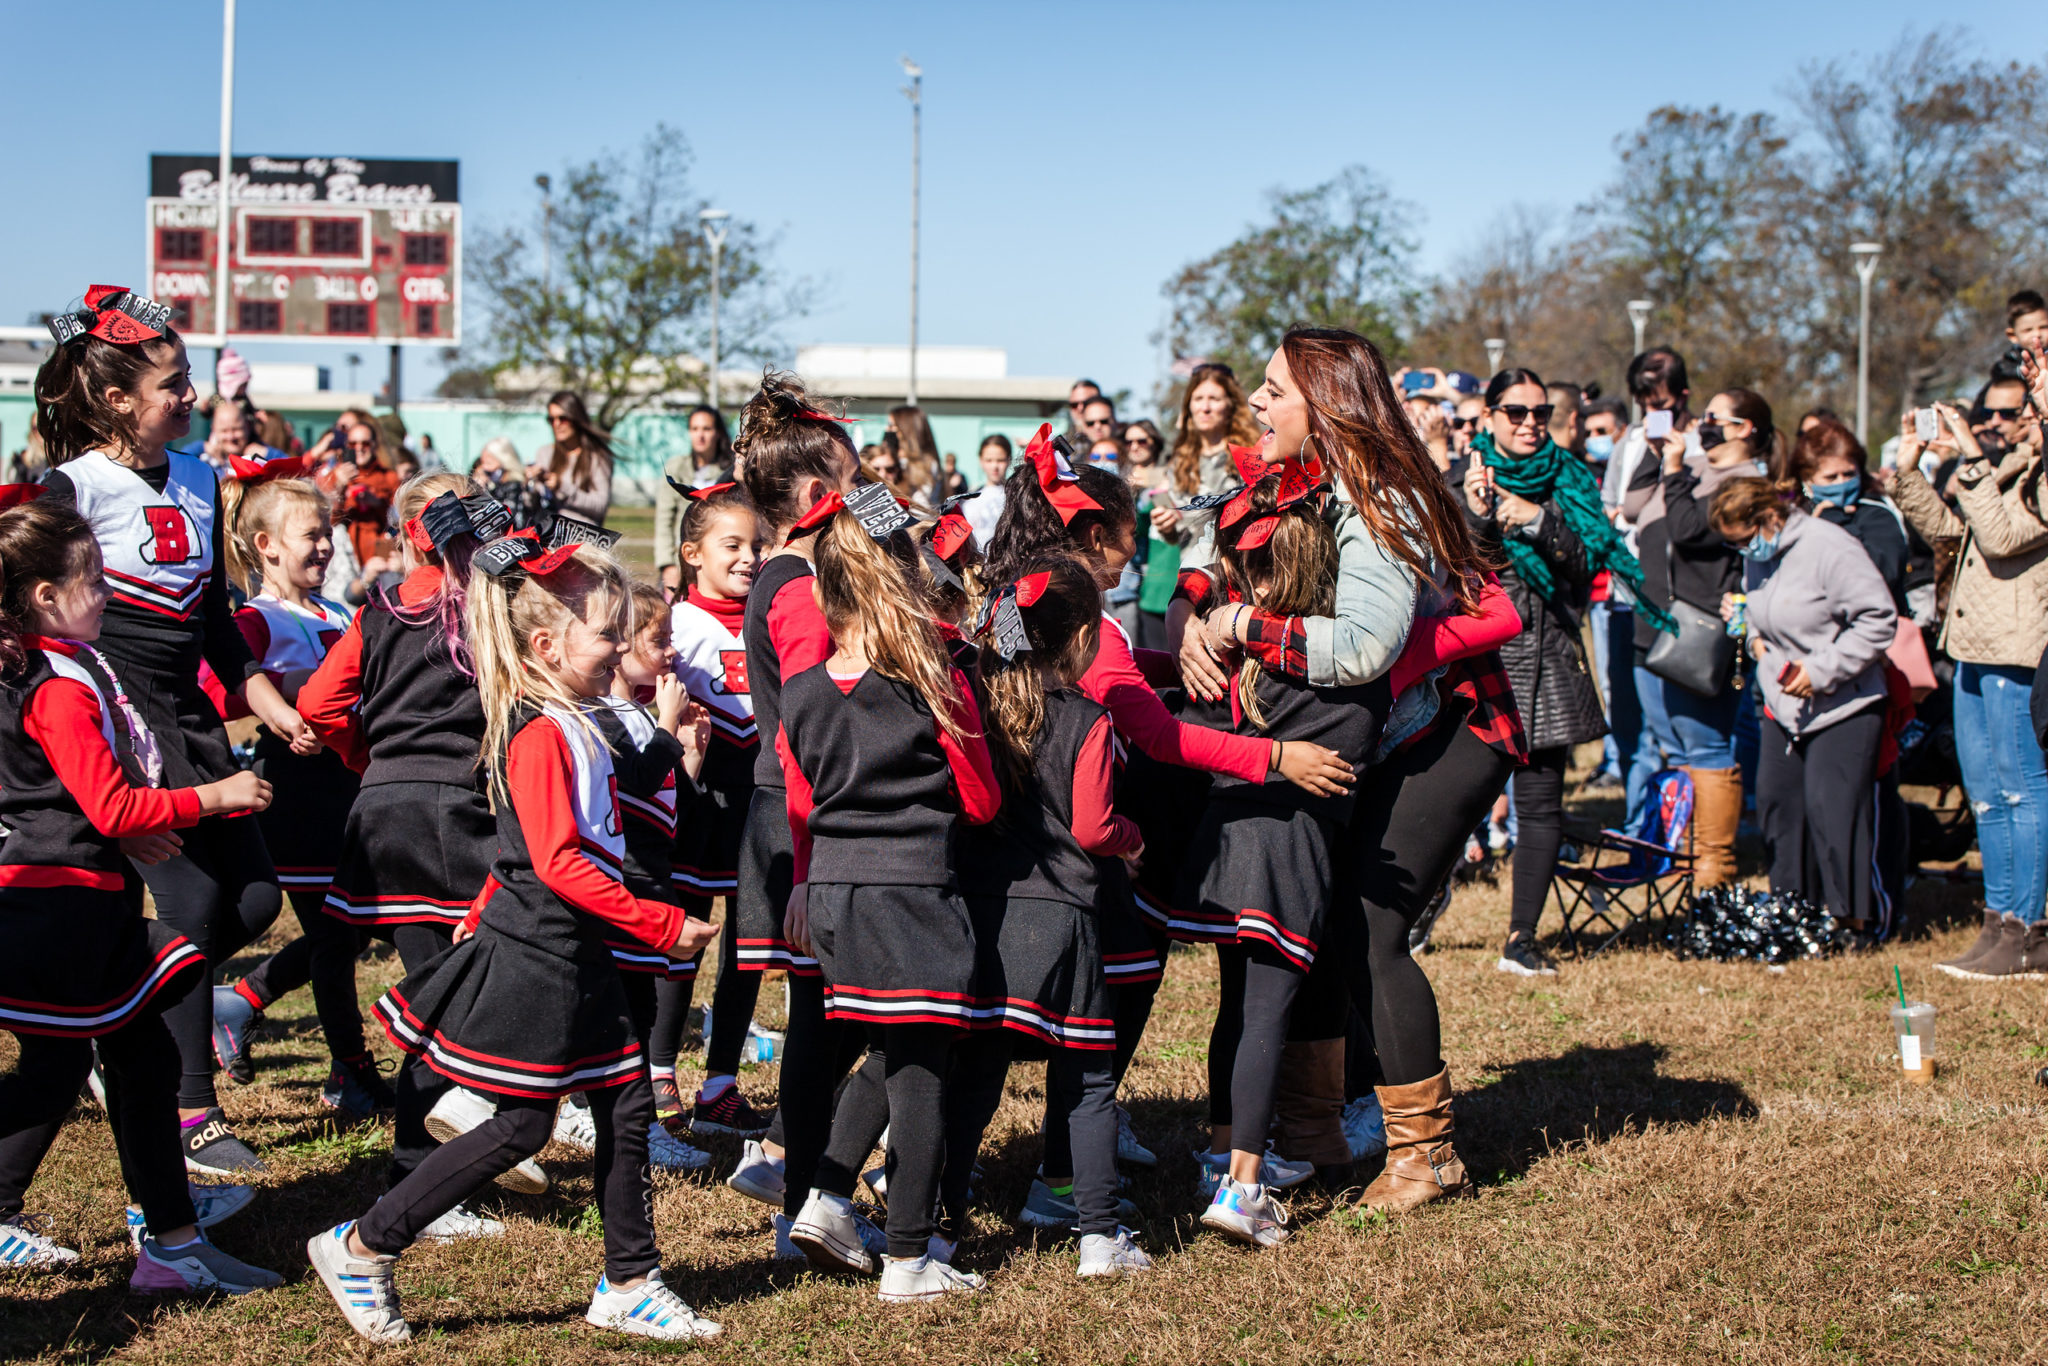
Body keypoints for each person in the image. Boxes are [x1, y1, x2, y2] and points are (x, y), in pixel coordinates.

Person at [308, 539, 721, 1346]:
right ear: (547, 646)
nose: (619, 648)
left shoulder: (573, 720)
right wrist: (663, 924)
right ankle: (363, 1244)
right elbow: (556, 860)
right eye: (608, 634)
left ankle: (629, 1279)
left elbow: (525, 851)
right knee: (521, 1127)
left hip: (575, 951)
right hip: (544, 955)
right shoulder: (538, 731)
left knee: (626, 1104)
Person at [1180, 327, 1522, 1217]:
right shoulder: (1312, 482)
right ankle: (1313, 1130)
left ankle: (1426, 1156)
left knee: (1372, 927)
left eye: (1273, 389)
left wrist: (1243, 630)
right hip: (1382, 736)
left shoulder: (1382, 500)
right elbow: (1231, 564)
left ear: (1325, 409)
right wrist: (1201, 619)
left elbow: (1365, 647)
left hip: (1446, 735)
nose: (1256, 402)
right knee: (1326, 919)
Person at [34, 285, 305, 1176]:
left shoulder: (201, 475)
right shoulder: (72, 486)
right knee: (188, 909)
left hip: (191, 715)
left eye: (190, 381)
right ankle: (193, 1111)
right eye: (173, 385)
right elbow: (40, 609)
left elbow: (218, 620)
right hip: (121, 711)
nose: (192, 398)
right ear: (116, 400)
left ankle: (135, 1014)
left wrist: (267, 703)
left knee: (256, 901)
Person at [0, 490, 282, 1293]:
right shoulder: (56, 686)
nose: (109, 591)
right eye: (93, 578)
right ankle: (170, 1242)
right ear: (46, 598)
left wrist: (127, 825)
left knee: (94, 1066)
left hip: (81, 901)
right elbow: (110, 805)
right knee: (130, 1045)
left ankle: (169, 1244)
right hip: (63, 913)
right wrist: (216, 797)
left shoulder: (40, 665)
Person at [778, 488, 1000, 1303]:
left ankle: (828, 1196)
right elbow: (979, 798)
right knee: (924, 1073)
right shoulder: (929, 678)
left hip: (833, 893)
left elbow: (799, 802)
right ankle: (908, 1255)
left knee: (887, 1046)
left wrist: (805, 880)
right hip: (912, 892)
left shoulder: (800, 694)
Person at [298, 474, 538, 1214]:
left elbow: (316, 704)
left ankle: (443, 1153)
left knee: (431, 992)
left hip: (383, 815)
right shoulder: (491, 609)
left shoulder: (373, 614)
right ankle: (427, 1169)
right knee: (457, 995)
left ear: (410, 535)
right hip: (461, 813)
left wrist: (362, 758)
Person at [1176, 459, 1388, 1249]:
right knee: (1267, 1011)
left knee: (1237, 1005)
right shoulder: (1331, 660)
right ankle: (1243, 1183)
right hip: (1288, 847)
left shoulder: (1233, 649)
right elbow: (1359, 742)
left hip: (1226, 839)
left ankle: (1219, 1150)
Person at [947, 554, 1151, 1278]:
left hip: (988, 915)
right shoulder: (1087, 719)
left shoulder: (974, 704)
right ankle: (1099, 1237)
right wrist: (1132, 841)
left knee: (976, 1073)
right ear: (1084, 637)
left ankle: (941, 1226)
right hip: (1065, 917)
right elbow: (1095, 829)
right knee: (1088, 1078)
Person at [204, 467, 389, 1120]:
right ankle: (350, 1071)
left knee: (351, 933)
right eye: (311, 534)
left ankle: (249, 1004)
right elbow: (214, 692)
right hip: (300, 796)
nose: (324, 546)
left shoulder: (341, 613)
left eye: (328, 533)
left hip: (352, 791)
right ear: (266, 546)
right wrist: (286, 684)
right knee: (341, 935)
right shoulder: (254, 620)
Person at [724, 376, 862, 1251]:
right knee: (824, 1019)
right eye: (855, 480)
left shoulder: (809, 574)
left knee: (832, 1016)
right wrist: (814, 869)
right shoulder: (797, 587)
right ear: (816, 497)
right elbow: (815, 731)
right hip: (808, 821)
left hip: (814, 817)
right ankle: (803, 1201)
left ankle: (802, 1184)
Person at [1465, 368, 1644, 976]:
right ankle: (1411, 919)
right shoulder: (1460, 480)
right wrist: (1480, 513)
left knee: (1541, 803)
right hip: (1475, 658)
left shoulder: (1571, 479)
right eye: (1514, 412)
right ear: (1488, 416)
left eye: (1538, 412)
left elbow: (1584, 567)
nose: (1528, 423)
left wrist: (1537, 519)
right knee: (1454, 799)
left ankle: (1521, 938)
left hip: (1546, 652)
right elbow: (1451, 568)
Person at [1888, 401, 2048, 979]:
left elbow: (2004, 536)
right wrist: (1909, 473)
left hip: (2018, 646)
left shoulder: (2041, 471)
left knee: (2020, 789)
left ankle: (2029, 931)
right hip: (1973, 643)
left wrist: (1974, 458)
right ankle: (1998, 919)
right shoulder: (2010, 466)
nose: (2013, 419)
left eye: (2026, 408)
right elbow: (1954, 536)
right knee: (1983, 791)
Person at [1712, 476, 1896, 938]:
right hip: (1782, 704)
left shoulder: (1828, 546)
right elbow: (1762, 615)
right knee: (1780, 806)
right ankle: (1795, 915)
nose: (1742, 552)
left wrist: (1822, 670)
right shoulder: (1762, 556)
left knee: (1834, 812)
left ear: (1769, 519)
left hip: (1843, 702)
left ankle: (1856, 919)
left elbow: (1878, 619)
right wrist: (1750, 637)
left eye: (1743, 540)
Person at [583, 580, 717, 1173]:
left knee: (636, 1017)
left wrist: (689, 754)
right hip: (626, 892)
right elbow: (630, 788)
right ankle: (625, 1130)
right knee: (624, 1023)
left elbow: (664, 808)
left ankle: (628, 1128)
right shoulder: (605, 718)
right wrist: (665, 730)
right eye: (658, 641)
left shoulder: (637, 718)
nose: (671, 654)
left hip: (653, 881)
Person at [1627, 389, 1775, 886]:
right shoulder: (1706, 473)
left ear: (1744, 429)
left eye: (1715, 418)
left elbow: (1691, 530)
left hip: (1707, 631)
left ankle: (1714, 868)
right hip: (1672, 625)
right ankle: (1687, 855)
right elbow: (1636, 508)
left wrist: (1674, 471)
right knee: (1686, 748)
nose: (1703, 424)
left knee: (1707, 746)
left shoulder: (1748, 482)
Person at [665, 484, 776, 1137]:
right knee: (682, 938)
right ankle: (658, 1080)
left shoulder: (776, 614)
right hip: (696, 799)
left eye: (756, 544)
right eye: (730, 545)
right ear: (692, 553)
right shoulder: (675, 624)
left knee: (749, 944)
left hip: (760, 801)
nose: (747, 557)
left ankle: (721, 1085)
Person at [1159, 362, 1263, 571]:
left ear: (1230, 404)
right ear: (1189, 405)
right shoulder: (1179, 462)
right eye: (1198, 399)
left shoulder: (1252, 455)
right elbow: (1177, 534)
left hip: (1241, 573)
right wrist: (1166, 526)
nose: (1205, 408)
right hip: (1192, 576)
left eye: (1214, 399)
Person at [655, 405, 736, 594]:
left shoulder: (731, 470)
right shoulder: (676, 468)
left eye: (707, 429)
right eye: (695, 429)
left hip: (719, 558)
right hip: (683, 559)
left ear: (717, 433)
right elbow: (664, 519)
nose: (700, 435)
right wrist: (667, 565)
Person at [1122, 419, 1178, 651]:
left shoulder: (1169, 476)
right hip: (1135, 583)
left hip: (1164, 578)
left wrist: (1141, 481)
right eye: (1128, 442)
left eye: (1141, 440)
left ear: (1155, 443)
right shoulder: (1128, 480)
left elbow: (1174, 526)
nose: (1134, 446)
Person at [532, 390, 615, 526]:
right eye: (551, 419)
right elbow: (531, 505)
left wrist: (561, 487)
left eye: (562, 418)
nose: (556, 424)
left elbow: (600, 507)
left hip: (583, 541)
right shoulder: (545, 453)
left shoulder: (598, 458)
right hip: (547, 540)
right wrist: (529, 484)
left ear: (576, 419)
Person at [885, 405, 943, 511]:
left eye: (892, 425)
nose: (887, 429)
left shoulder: (926, 465)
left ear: (906, 428)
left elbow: (922, 508)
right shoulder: (889, 459)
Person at [963, 434, 1011, 547]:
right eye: (989, 460)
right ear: (981, 461)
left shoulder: (1016, 497)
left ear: (1009, 460)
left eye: (1000, 460)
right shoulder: (969, 501)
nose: (995, 466)